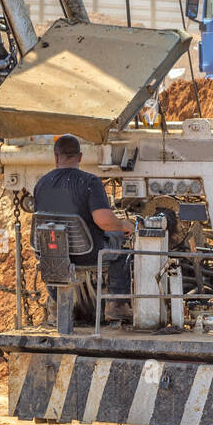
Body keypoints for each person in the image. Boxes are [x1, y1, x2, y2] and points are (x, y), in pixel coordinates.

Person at [33, 134, 134, 322]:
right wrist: (122, 225)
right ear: (80, 157)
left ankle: (56, 306)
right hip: (89, 253)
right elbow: (103, 220)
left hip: (53, 253)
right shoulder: (89, 182)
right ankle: (117, 305)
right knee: (124, 246)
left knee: (51, 256)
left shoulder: (41, 184)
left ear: (55, 157)